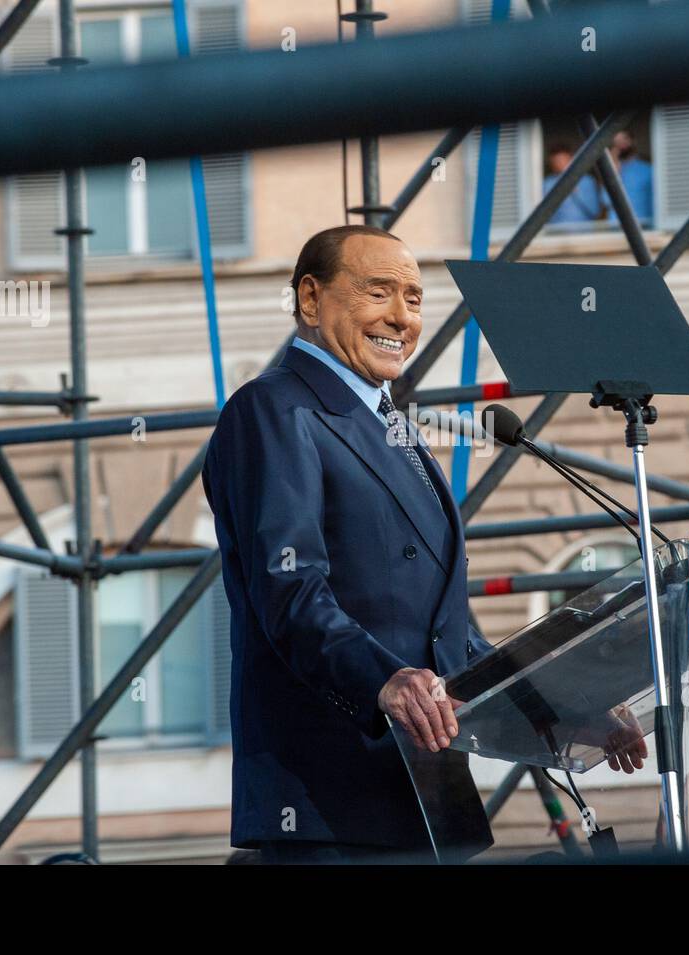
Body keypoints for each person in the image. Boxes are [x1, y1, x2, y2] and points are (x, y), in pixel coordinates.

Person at [203, 225, 649, 864]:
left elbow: (455, 644)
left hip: (425, 802)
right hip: (329, 803)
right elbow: (290, 590)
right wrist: (385, 679)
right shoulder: (273, 410)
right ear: (310, 299)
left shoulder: (394, 431)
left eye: (413, 299)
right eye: (378, 292)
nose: (401, 318)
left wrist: (569, 709)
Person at [543, 143, 605, 228]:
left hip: (585, 233)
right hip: (556, 234)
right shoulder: (547, 183)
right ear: (552, 163)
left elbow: (595, 212)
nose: (561, 164)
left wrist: (576, 193)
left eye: (563, 160)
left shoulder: (587, 181)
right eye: (557, 161)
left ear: (571, 159)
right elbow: (544, 216)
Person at [604, 129, 654, 227]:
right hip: (615, 227)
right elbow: (606, 201)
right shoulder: (610, 170)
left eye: (624, 140)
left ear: (633, 141)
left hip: (642, 225)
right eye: (617, 142)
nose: (620, 145)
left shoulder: (648, 169)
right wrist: (614, 172)